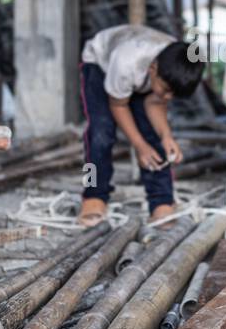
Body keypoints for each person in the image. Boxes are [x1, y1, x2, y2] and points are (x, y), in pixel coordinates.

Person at [76, 25, 205, 227]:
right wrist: (139, 145)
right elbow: (118, 105)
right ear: (153, 70)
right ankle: (93, 195)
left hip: (139, 75)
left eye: (173, 95)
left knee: (154, 136)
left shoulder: (174, 64)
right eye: (166, 90)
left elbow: (155, 102)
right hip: (99, 63)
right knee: (99, 134)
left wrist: (166, 136)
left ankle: (161, 201)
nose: (168, 98)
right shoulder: (127, 62)